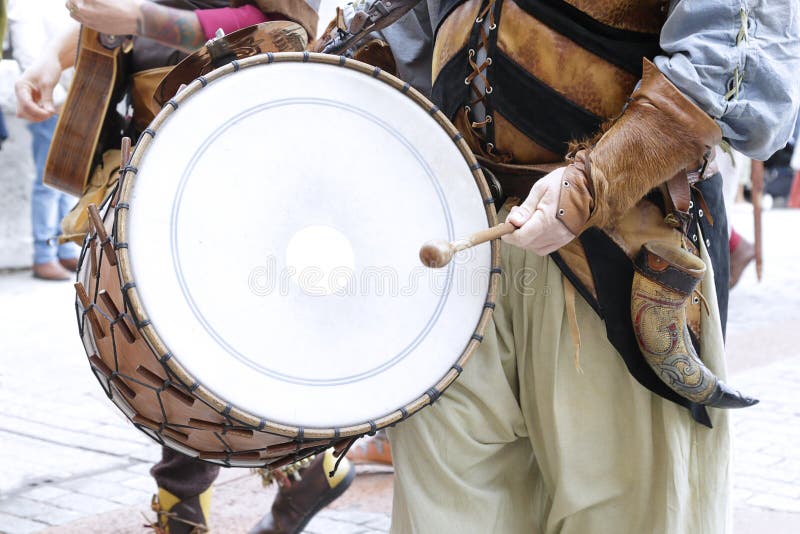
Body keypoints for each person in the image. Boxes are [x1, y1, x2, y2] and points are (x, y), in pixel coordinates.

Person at [316, 1, 799, 532]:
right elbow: (402, 39)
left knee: (628, 516)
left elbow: (729, 59)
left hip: (620, 250)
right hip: (461, 254)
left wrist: (591, 185)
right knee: (445, 514)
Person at [16, 2, 354, 533]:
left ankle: (190, 509)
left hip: (233, 155)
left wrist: (141, 19)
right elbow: (103, 14)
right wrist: (49, 62)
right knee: (155, 340)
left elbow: (288, 28)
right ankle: (306, 471)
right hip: (152, 151)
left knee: (189, 344)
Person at [7, 0, 81, 280]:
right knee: (48, 182)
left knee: (67, 179)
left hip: (72, 99)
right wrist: (56, 102)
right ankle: (44, 255)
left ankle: (64, 247)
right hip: (49, 102)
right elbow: (28, 53)